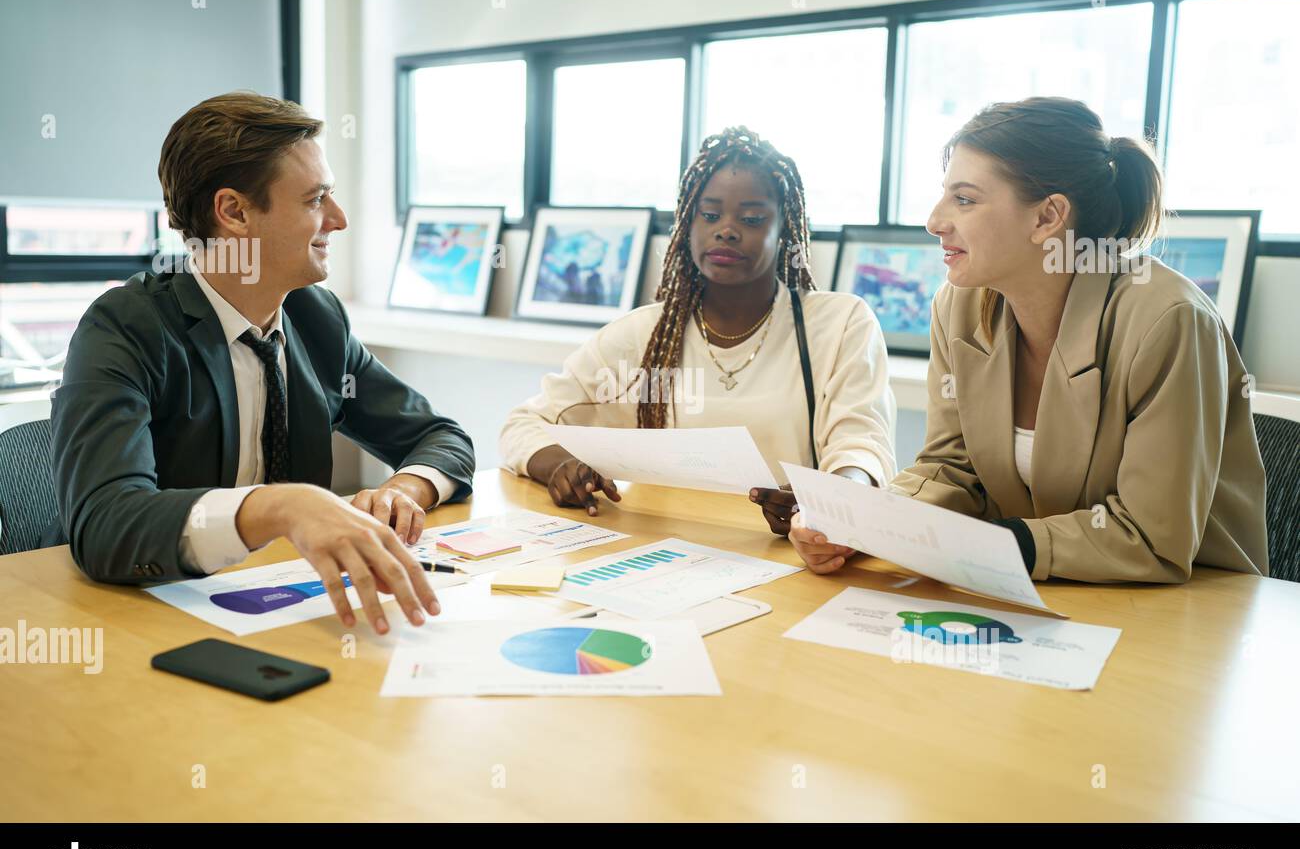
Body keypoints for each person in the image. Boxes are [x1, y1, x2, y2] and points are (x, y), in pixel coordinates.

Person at [791, 97, 1268, 582]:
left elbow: (1150, 538)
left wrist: (994, 545)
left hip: (1188, 611)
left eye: (965, 199)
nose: (934, 221)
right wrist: (864, 521)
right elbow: (952, 469)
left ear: (1047, 218)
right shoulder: (957, 307)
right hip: (1043, 592)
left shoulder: (1169, 320)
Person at [51, 91, 475, 634]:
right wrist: (281, 507)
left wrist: (403, 491)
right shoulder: (126, 328)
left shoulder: (315, 318)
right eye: (316, 199)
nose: (339, 220)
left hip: (286, 608)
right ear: (234, 211)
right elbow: (105, 525)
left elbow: (442, 437)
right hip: (148, 622)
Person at [499, 126, 896, 535]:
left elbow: (861, 446)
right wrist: (559, 466)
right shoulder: (644, 334)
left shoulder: (838, 324)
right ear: (688, 225)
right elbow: (524, 424)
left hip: (793, 552)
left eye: (752, 218)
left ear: (786, 231)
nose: (726, 229)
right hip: (663, 554)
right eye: (709, 215)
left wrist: (830, 503)